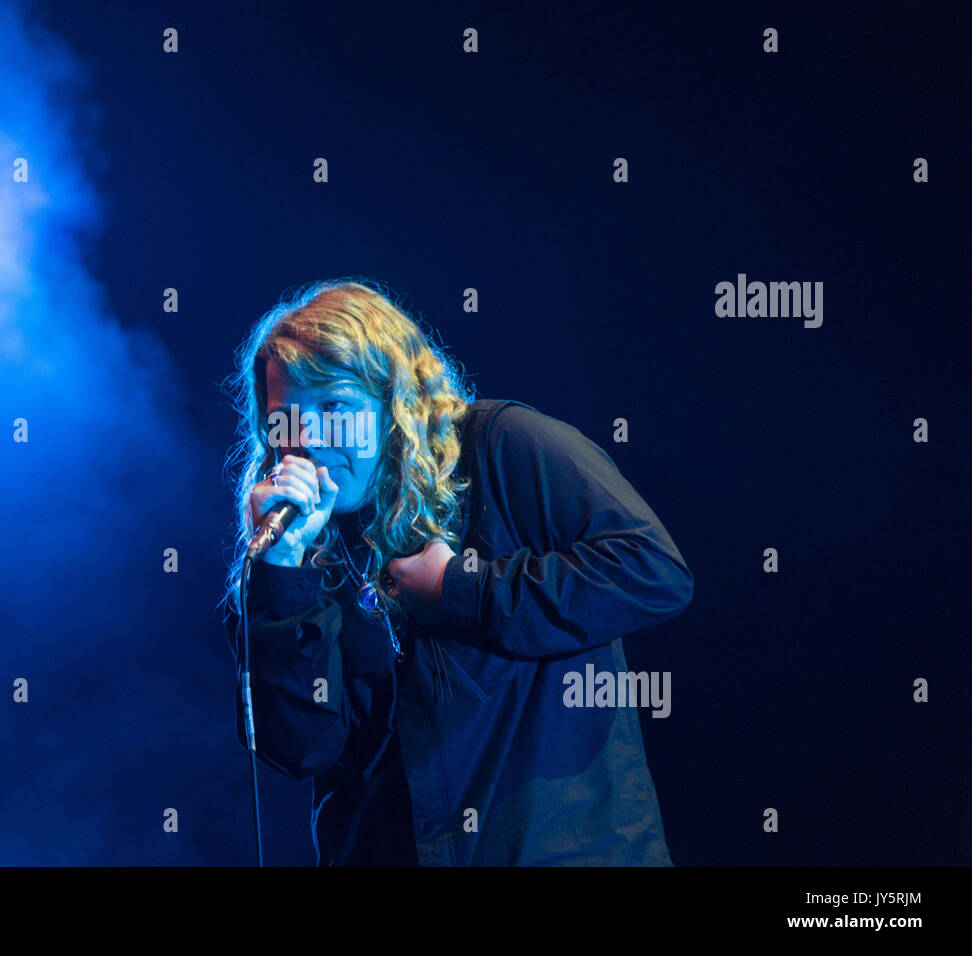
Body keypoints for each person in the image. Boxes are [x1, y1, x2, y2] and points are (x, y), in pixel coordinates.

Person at [220, 278, 694, 865]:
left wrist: (460, 590)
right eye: (286, 417)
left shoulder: (501, 445)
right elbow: (301, 751)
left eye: (335, 407)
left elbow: (652, 570)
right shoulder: (300, 552)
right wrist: (282, 576)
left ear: (393, 403)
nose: (309, 440)